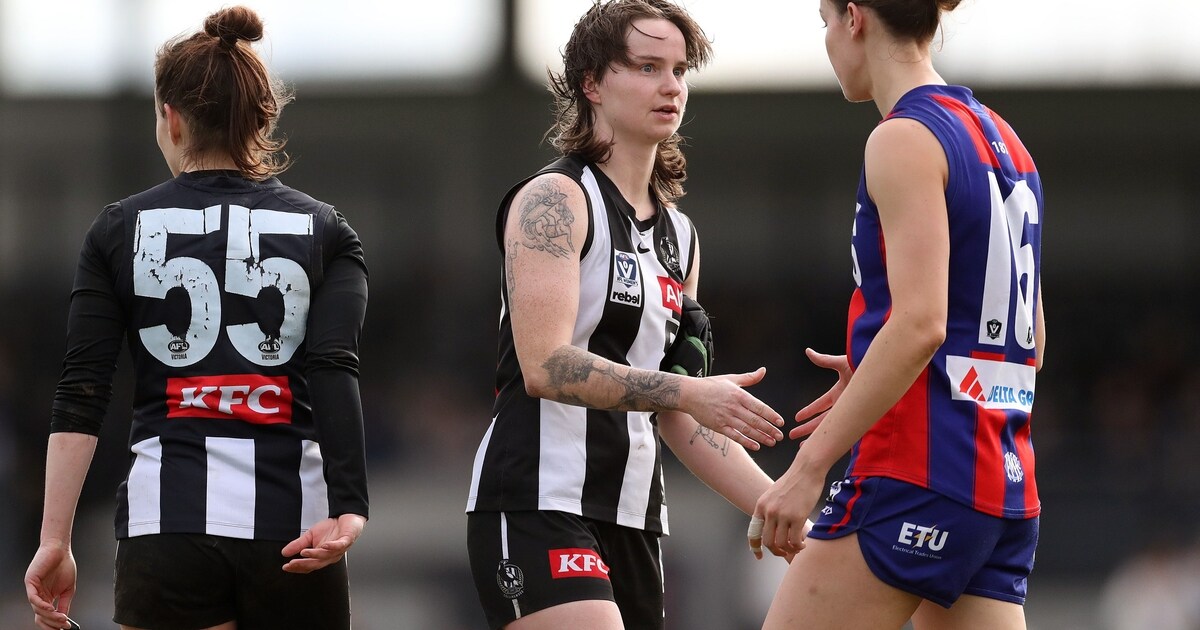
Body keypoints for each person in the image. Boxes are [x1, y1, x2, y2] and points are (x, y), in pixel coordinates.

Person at [23, 6, 369, 630]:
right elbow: (333, 368)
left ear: (171, 117)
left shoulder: (116, 229)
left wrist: (55, 538)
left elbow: (83, 388)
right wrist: (350, 505)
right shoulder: (326, 231)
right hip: (292, 528)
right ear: (262, 119)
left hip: (168, 520)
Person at [464, 1, 788, 628]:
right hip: (536, 499)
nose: (671, 86)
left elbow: (680, 418)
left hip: (636, 518)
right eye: (646, 66)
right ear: (591, 83)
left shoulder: (681, 237)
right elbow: (545, 365)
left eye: (679, 69)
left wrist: (777, 503)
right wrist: (690, 391)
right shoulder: (556, 198)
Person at [750, 1, 1046, 629]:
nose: (828, 41)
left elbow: (919, 324)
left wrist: (808, 469)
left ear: (855, 17)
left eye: (825, 21)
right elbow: (1029, 341)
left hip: (915, 472)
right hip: (1002, 489)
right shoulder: (1006, 141)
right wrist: (872, 365)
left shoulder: (903, 137)